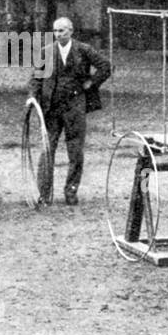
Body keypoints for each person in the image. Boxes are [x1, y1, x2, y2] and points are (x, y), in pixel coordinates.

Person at [27, 16, 112, 206]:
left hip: (75, 107)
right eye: (55, 31)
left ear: (71, 31)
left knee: (75, 151)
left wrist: (91, 83)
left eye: (62, 31)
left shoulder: (83, 50)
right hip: (52, 108)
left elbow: (106, 66)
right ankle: (44, 192)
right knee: (47, 150)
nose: (58, 35)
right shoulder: (46, 52)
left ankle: (71, 190)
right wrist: (32, 97)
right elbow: (36, 78)